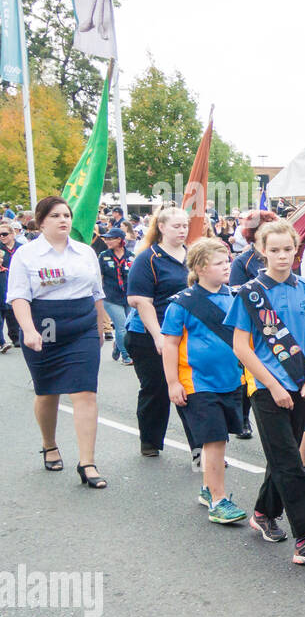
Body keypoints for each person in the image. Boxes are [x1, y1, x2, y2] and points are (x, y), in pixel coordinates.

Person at [225, 220, 305, 566]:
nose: (282, 255)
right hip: (266, 389)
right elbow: (241, 347)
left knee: (281, 458)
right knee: (291, 462)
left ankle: (263, 512)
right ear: (262, 251)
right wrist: (272, 385)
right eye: (274, 250)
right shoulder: (251, 293)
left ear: (296, 248)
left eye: (288, 249)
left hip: (302, 384)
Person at [6, 196, 110, 488]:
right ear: (40, 223)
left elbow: (96, 293)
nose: (63, 220)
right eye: (55, 216)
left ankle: (87, 463)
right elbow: (18, 296)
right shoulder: (26, 255)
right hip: (45, 326)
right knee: (47, 392)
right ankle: (49, 444)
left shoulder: (85, 252)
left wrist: (101, 325)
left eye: (66, 215)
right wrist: (28, 330)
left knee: (85, 392)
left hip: (82, 325)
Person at [161, 238, 248, 524]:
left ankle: (208, 489)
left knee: (219, 439)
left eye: (228, 261)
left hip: (231, 381)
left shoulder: (236, 297)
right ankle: (219, 500)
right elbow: (171, 345)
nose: (227, 267)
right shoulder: (182, 303)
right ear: (199, 268)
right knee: (215, 440)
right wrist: (173, 382)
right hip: (197, 383)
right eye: (219, 263)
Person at [126, 206, 195, 458]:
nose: (182, 230)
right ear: (162, 227)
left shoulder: (191, 256)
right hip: (148, 334)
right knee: (156, 389)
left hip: (186, 333)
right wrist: (158, 336)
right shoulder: (148, 259)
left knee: (192, 389)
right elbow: (141, 301)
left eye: (185, 225)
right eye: (176, 226)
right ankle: (150, 440)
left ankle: (202, 447)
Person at [97, 228, 134, 365]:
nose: (107, 241)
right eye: (106, 239)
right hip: (111, 297)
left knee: (129, 327)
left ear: (120, 240)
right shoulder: (103, 256)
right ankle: (126, 356)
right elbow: (98, 276)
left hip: (128, 296)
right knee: (121, 326)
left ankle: (118, 346)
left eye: (110, 238)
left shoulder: (131, 256)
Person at [0, 221, 22, 352]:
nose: (2, 237)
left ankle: (15, 337)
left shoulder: (21, 248)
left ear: (13, 234)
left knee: (12, 310)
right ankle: (1, 342)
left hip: (16, 283)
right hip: (1, 282)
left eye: (4, 234)